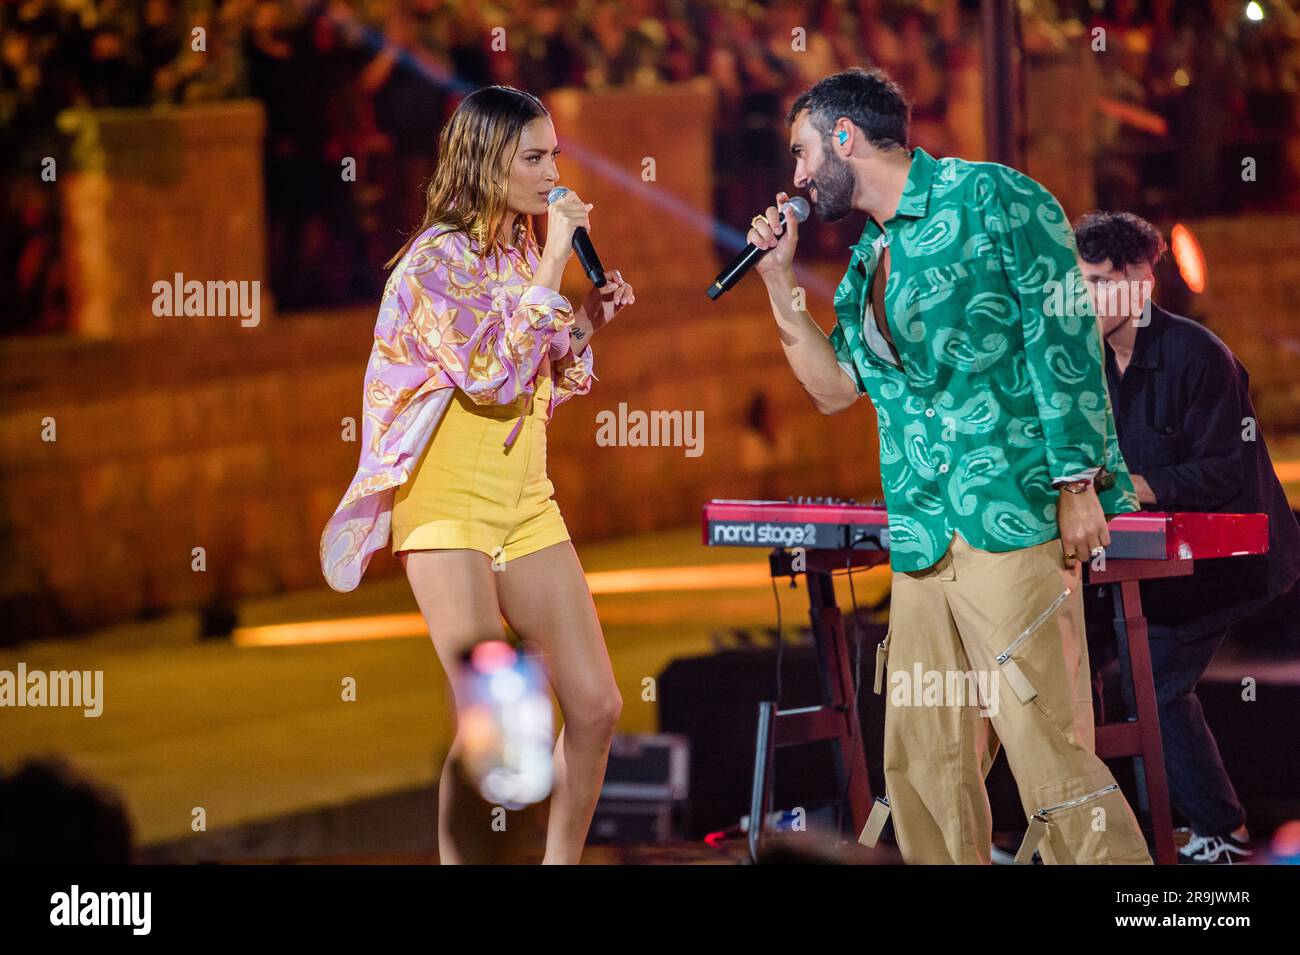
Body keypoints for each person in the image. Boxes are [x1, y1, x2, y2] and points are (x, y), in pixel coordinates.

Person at [750, 67, 1152, 864]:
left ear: (844, 138)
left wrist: (1078, 484)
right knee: (922, 755)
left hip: (1009, 513)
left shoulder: (997, 199)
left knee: (1046, 745)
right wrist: (776, 283)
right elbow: (834, 392)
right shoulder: (869, 261)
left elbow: (1063, 338)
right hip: (921, 532)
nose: (796, 178)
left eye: (801, 153)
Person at [319, 85, 634, 864]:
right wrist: (558, 257)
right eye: (533, 157)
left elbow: (541, 375)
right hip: (449, 503)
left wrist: (585, 321)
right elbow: (490, 372)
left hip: (526, 499)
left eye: (554, 153)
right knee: (498, 725)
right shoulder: (436, 261)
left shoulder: (521, 250)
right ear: (487, 162)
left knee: (595, 706)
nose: (552, 172)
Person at [1074, 210, 1300, 864]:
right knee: (1067, 658)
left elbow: (1227, 467)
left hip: (1229, 559)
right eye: (1076, 280)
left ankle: (1220, 831)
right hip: (1146, 560)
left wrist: (1132, 485)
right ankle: (1100, 827)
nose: (1082, 297)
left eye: (1097, 282)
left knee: (1157, 681)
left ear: (1139, 285)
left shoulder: (1199, 355)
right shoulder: (1085, 359)